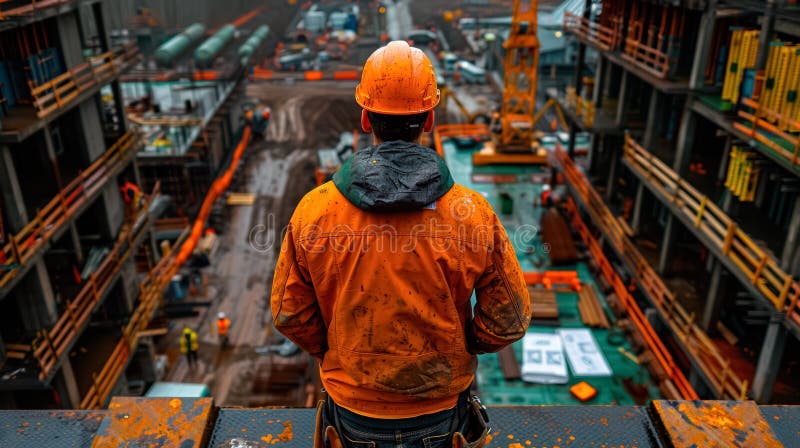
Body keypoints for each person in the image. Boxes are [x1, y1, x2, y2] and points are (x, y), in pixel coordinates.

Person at [271, 40, 531, 448]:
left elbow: (289, 314)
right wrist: (463, 344)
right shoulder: (471, 213)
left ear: (364, 118)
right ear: (429, 119)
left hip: (352, 418)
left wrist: (337, 349)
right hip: (441, 416)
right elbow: (510, 318)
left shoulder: (315, 211)